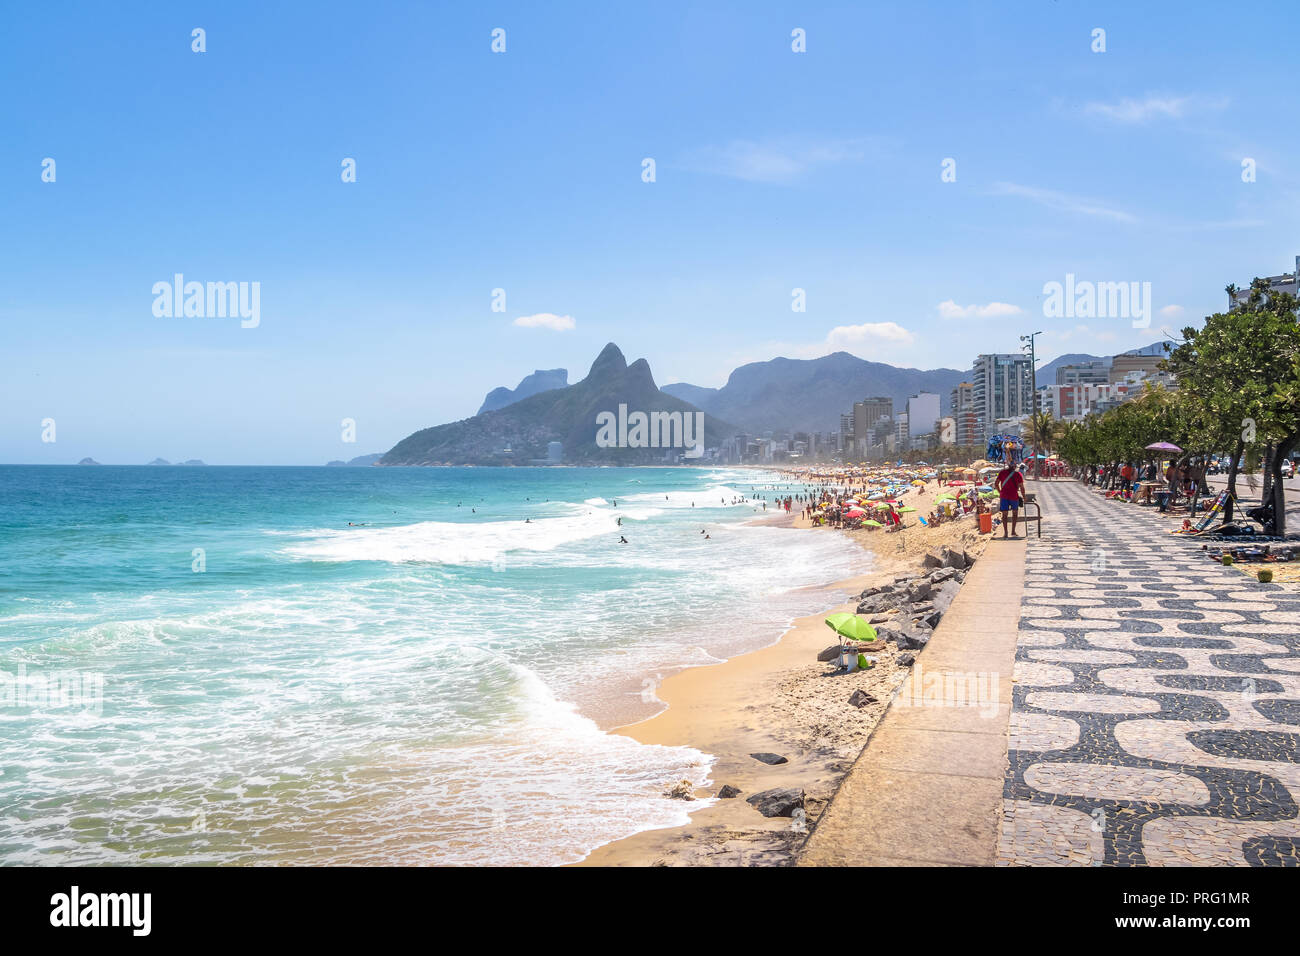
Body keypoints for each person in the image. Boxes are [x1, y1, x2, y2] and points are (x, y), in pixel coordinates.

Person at [995, 461, 1025, 538]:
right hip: (1014, 496)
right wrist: (1024, 497)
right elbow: (1021, 487)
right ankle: (1013, 531)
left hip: (1004, 496)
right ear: (1015, 466)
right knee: (1015, 514)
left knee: (1004, 515)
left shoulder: (1002, 472)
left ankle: (1006, 533)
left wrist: (1000, 492)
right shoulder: (1018, 474)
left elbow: (996, 483)